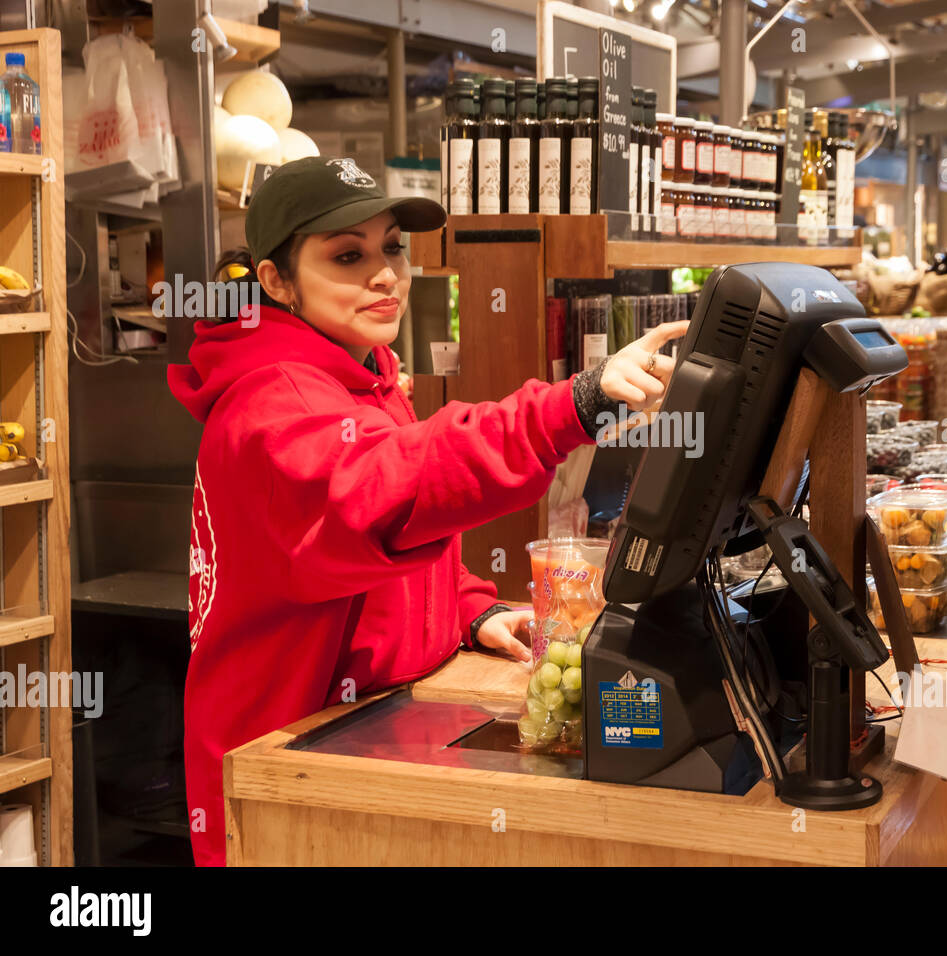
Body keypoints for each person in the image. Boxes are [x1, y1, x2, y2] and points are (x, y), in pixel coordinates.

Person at [167, 156, 686, 866]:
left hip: (348, 733)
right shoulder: (275, 400)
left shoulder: (356, 369)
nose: (384, 274)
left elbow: (384, 549)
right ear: (275, 281)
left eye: (392, 248)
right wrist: (570, 407)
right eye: (347, 256)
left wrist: (470, 608)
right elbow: (390, 491)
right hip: (282, 764)